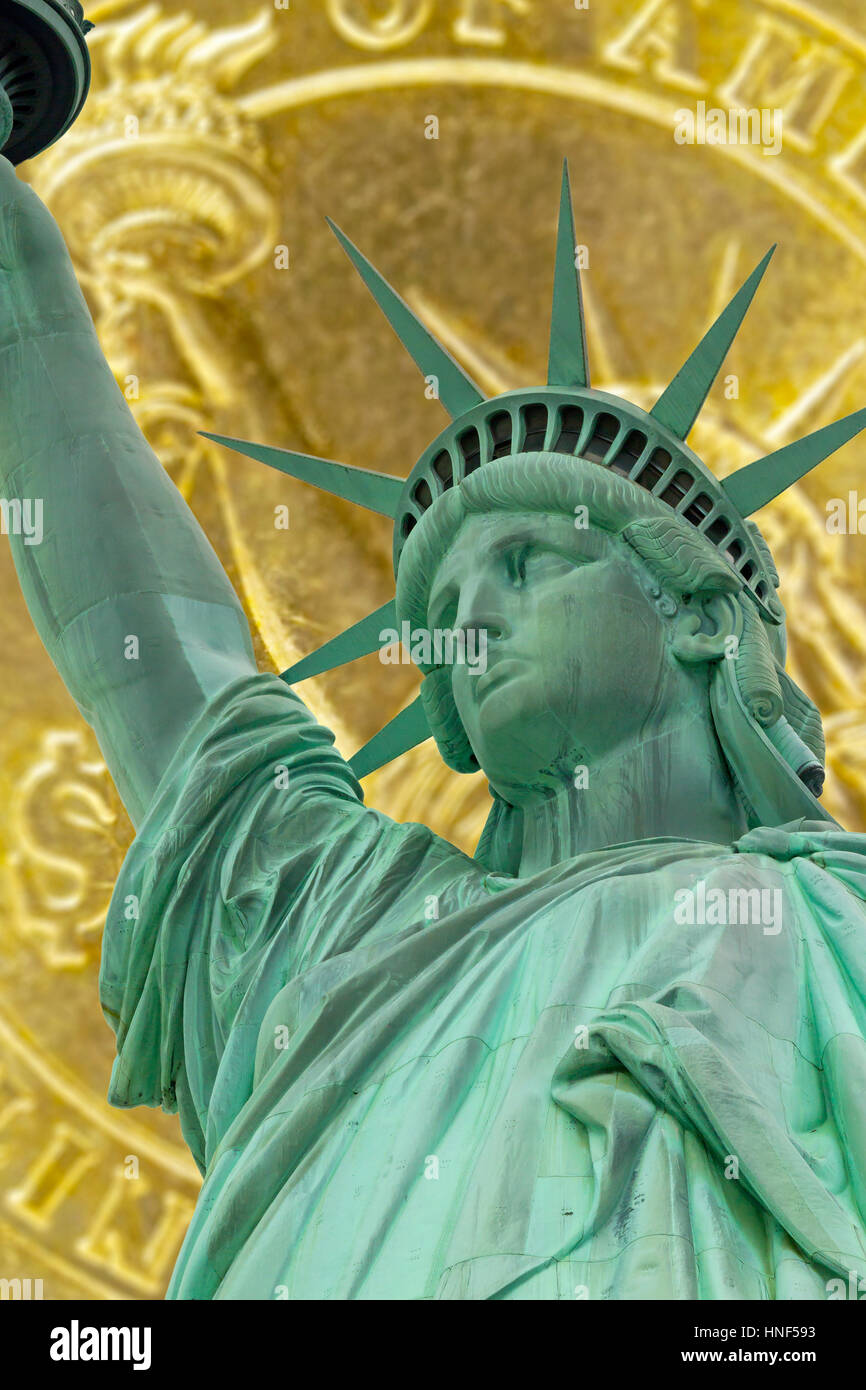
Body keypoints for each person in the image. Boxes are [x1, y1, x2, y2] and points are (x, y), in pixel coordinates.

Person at [3, 152, 866, 1300]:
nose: (473, 619)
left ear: (702, 616)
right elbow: (152, 643)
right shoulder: (344, 930)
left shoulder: (839, 925)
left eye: (526, 563)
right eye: (446, 607)